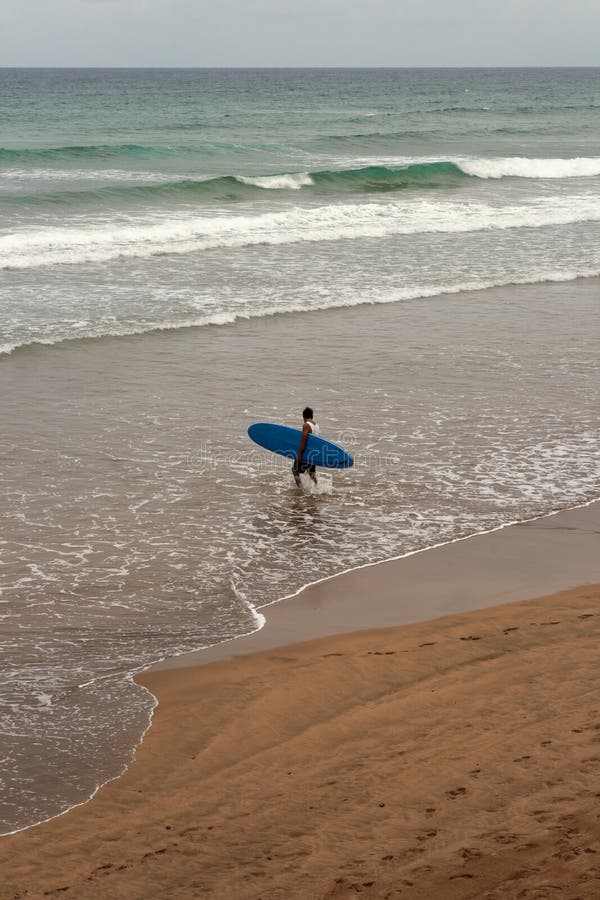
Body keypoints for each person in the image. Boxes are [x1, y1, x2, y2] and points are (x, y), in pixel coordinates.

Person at [292, 406, 320, 487]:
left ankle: (301, 488)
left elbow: (303, 441)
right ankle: (317, 487)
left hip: (306, 453)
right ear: (312, 416)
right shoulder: (316, 426)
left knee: (295, 470)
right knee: (311, 473)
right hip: (313, 453)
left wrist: (299, 454)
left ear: (303, 417)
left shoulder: (306, 425)